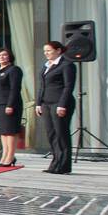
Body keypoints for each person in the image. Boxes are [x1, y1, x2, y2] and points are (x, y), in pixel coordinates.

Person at [36, 40, 76, 174]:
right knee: (51, 134)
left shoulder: (66, 65)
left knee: (61, 134)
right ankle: (55, 163)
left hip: (59, 103)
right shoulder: (46, 66)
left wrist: (62, 105)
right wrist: (38, 103)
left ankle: (64, 166)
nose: (46, 53)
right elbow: (42, 86)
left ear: (58, 50)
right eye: (45, 51)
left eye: (49, 50)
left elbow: (68, 86)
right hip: (46, 104)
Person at [0, 47, 23, 167]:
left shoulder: (14, 69)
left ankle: (10, 156)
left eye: (4, 55)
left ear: (9, 56)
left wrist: (10, 104)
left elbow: (15, 89)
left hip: (9, 104)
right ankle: (4, 155)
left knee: (10, 131)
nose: (1, 57)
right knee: (2, 131)